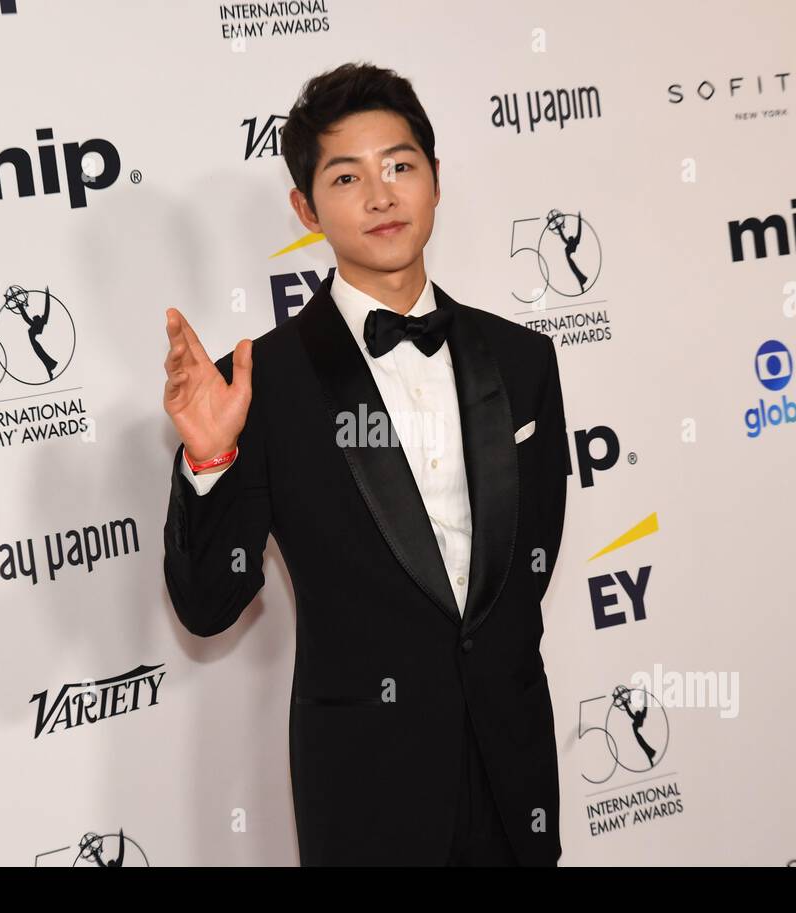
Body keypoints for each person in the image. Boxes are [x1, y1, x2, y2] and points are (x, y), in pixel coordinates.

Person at [161, 62, 568, 866]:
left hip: (514, 773)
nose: (382, 196)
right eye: (347, 177)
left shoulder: (523, 360)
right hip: (368, 794)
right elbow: (209, 604)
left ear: (436, 179)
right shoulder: (263, 383)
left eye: (400, 166)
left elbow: (524, 571)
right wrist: (210, 456)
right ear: (306, 208)